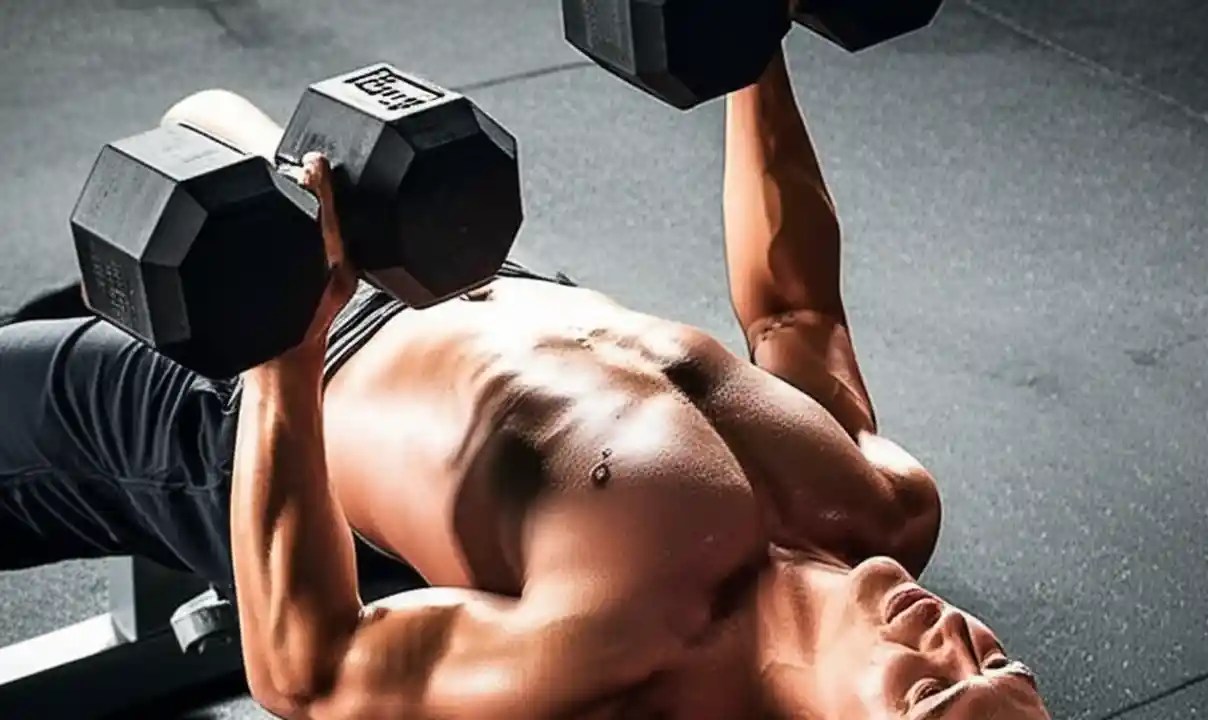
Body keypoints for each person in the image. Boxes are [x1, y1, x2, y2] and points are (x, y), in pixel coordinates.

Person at [0, 50, 1050, 719]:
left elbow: (308, 671)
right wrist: (749, 57)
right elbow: (794, 313)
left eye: (924, 691)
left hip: (265, 398)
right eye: (996, 664)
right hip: (443, 268)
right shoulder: (879, 502)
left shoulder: (621, 652)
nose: (949, 639)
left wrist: (283, 348)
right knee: (207, 111)